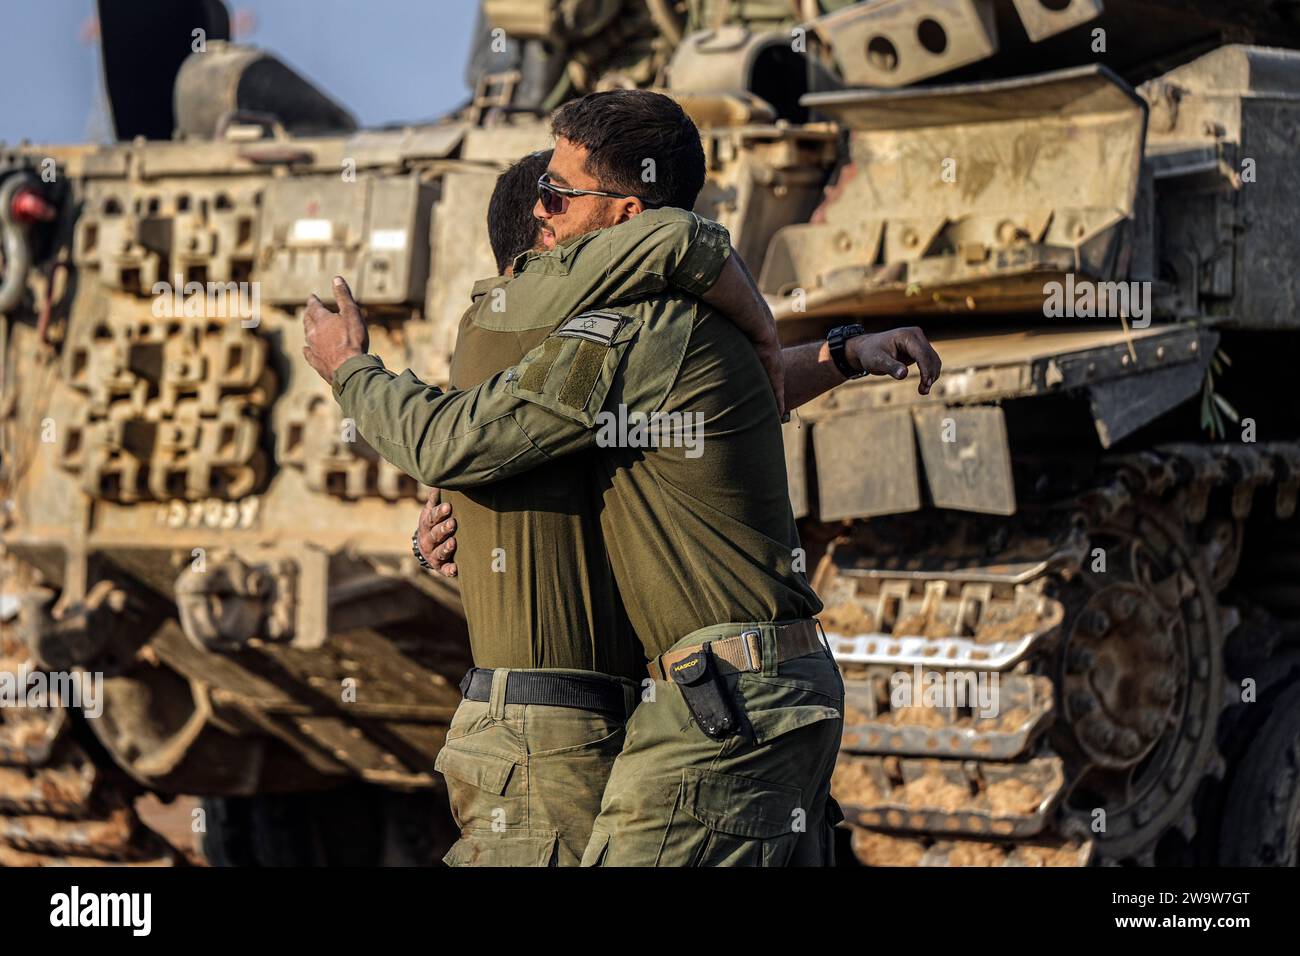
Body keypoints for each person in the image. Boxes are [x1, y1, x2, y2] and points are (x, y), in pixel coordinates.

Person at [303, 90, 940, 866]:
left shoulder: (633, 328)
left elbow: (452, 440)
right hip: (743, 696)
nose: (543, 215)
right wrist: (836, 355)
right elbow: (715, 405)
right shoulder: (682, 323)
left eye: (559, 196)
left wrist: (350, 368)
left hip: (726, 706)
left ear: (626, 215)